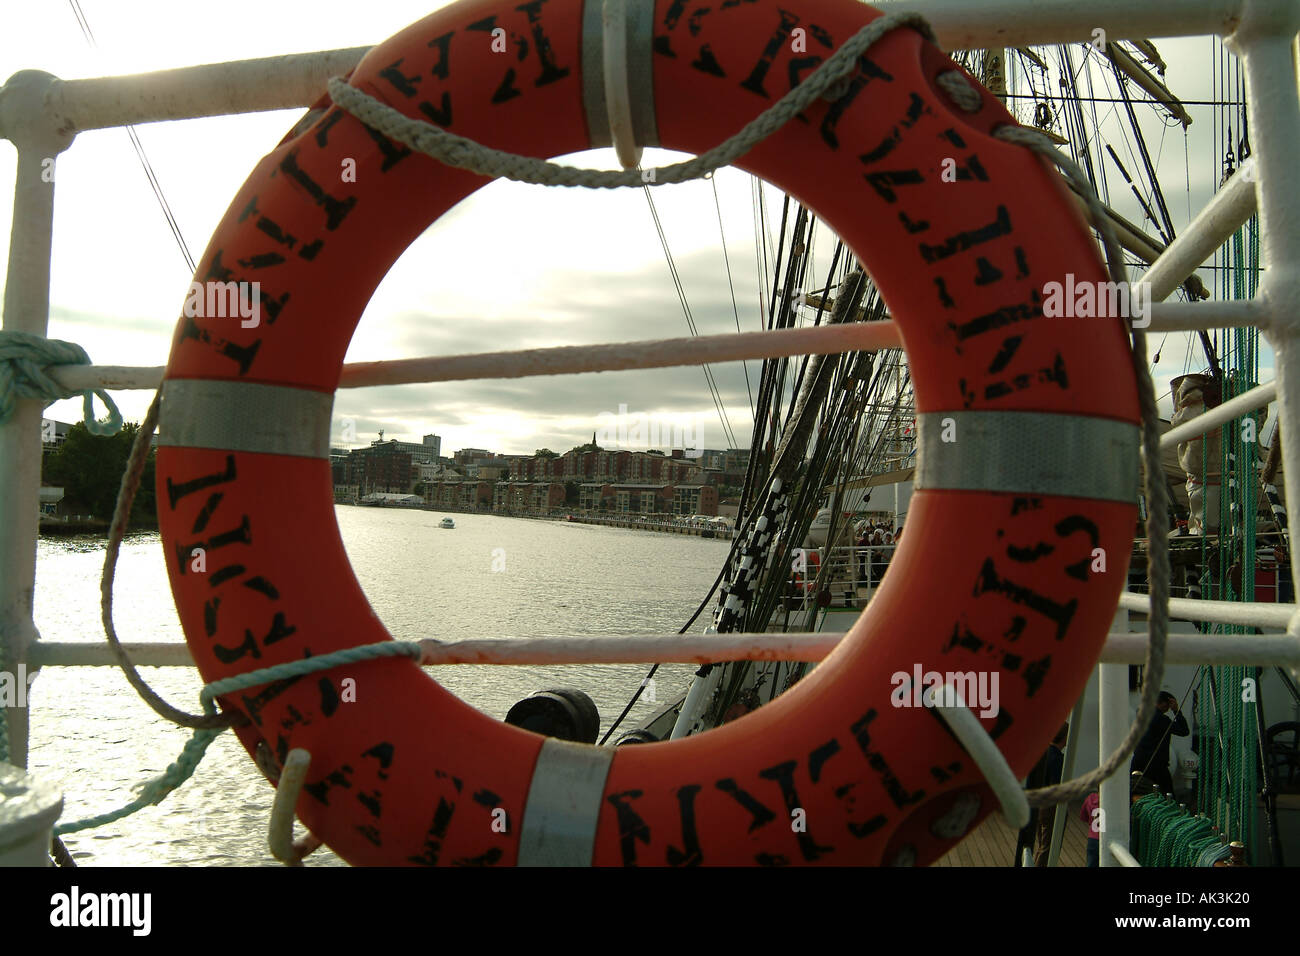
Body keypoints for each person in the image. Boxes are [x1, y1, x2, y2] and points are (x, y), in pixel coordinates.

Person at [1130, 691, 1189, 794]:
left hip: (1138, 762)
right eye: (1168, 705)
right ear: (1164, 703)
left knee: (1138, 792)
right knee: (1167, 795)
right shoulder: (1160, 719)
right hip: (1155, 766)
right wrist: (1176, 710)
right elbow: (1184, 731)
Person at [1080, 791, 1100, 867]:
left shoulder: (1091, 798)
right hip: (1108, 839)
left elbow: (1083, 817)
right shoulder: (1115, 801)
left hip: (1093, 839)